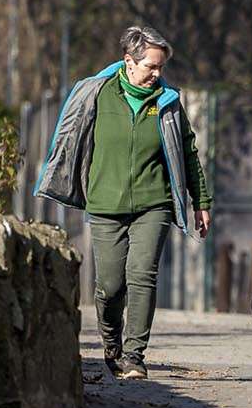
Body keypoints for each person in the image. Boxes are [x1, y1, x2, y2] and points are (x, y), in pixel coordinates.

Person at [35, 27, 212, 380]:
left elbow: (188, 152)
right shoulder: (96, 93)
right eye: (150, 66)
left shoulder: (168, 102)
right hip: (105, 203)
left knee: (142, 276)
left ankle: (134, 356)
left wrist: (200, 201)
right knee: (110, 285)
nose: (157, 74)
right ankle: (111, 344)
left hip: (154, 203)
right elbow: (69, 138)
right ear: (129, 62)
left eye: (161, 67)